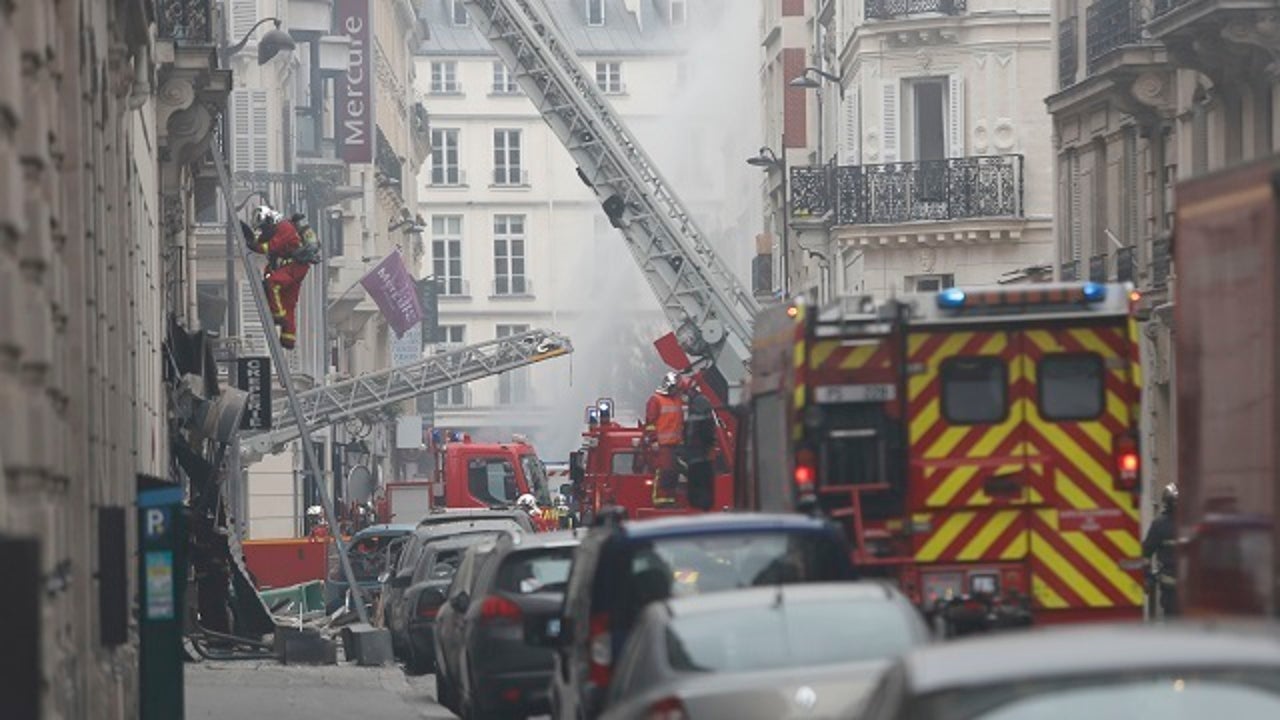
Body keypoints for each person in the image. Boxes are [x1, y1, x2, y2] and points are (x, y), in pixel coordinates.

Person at [240, 205, 315, 349]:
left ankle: (277, 314)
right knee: (289, 303)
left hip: (295, 265)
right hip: (290, 266)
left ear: (269, 220)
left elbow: (271, 246)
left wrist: (254, 246)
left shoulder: (284, 227)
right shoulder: (275, 229)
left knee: (273, 283)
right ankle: (288, 338)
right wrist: (251, 239)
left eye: (263, 227)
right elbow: (264, 242)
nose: (263, 231)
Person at [644, 372, 685, 507]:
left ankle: (670, 499)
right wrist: (653, 440)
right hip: (662, 444)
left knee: (673, 472)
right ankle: (660, 500)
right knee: (663, 471)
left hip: (675, 444)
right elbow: (650, 422)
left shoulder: (677, 399)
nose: (676, 390)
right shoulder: (656, 400)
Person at [680, 376, 717, 512]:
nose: (683, 397)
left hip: (699, 453)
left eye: (684, 393)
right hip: (697, 451)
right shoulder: (697, 403)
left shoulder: (698, 404)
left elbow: (696, 431)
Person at [1142, 483, 1179, 618]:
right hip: (1174, 592)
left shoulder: (1159, 525)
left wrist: (1147, 576)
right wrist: (1147, 576)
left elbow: (1146, 552)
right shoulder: (1160, 525)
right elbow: (1146, 553)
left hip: (1182, 592)